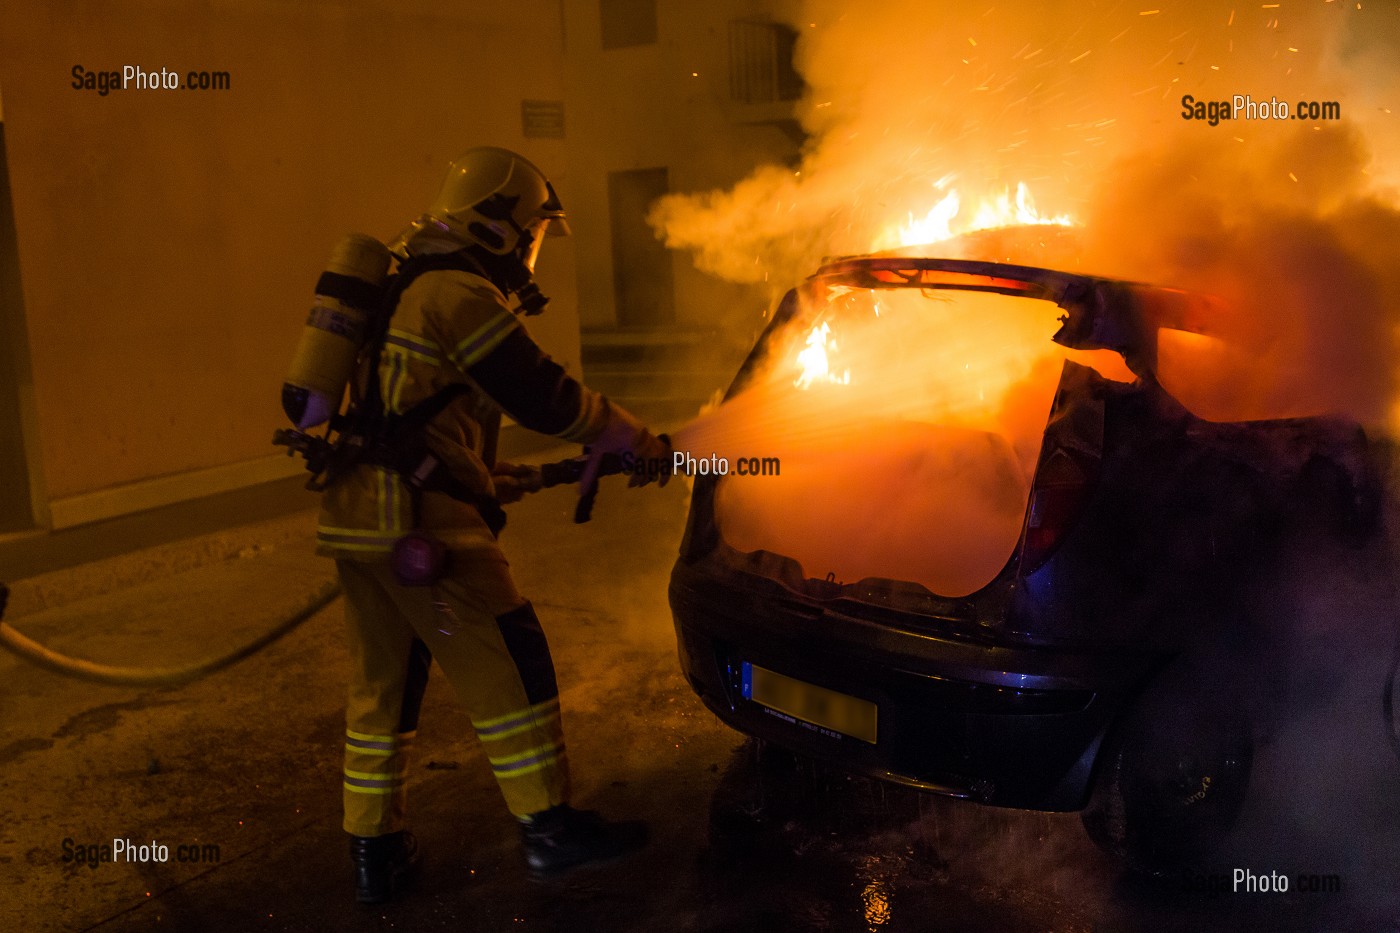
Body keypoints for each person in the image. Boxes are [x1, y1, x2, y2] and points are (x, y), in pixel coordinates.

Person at [315, 146, 669, 903]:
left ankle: (375, 851)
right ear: (506, 227)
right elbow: (543, 396)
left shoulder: (404, 288)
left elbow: (415, 409)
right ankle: (549, 830)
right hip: (422, 527)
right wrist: (634, 438)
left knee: (385, 686)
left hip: (361, 517)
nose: (536, 249)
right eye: (536, 230)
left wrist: (486, 475)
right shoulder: (457, 292)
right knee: (511, 660)